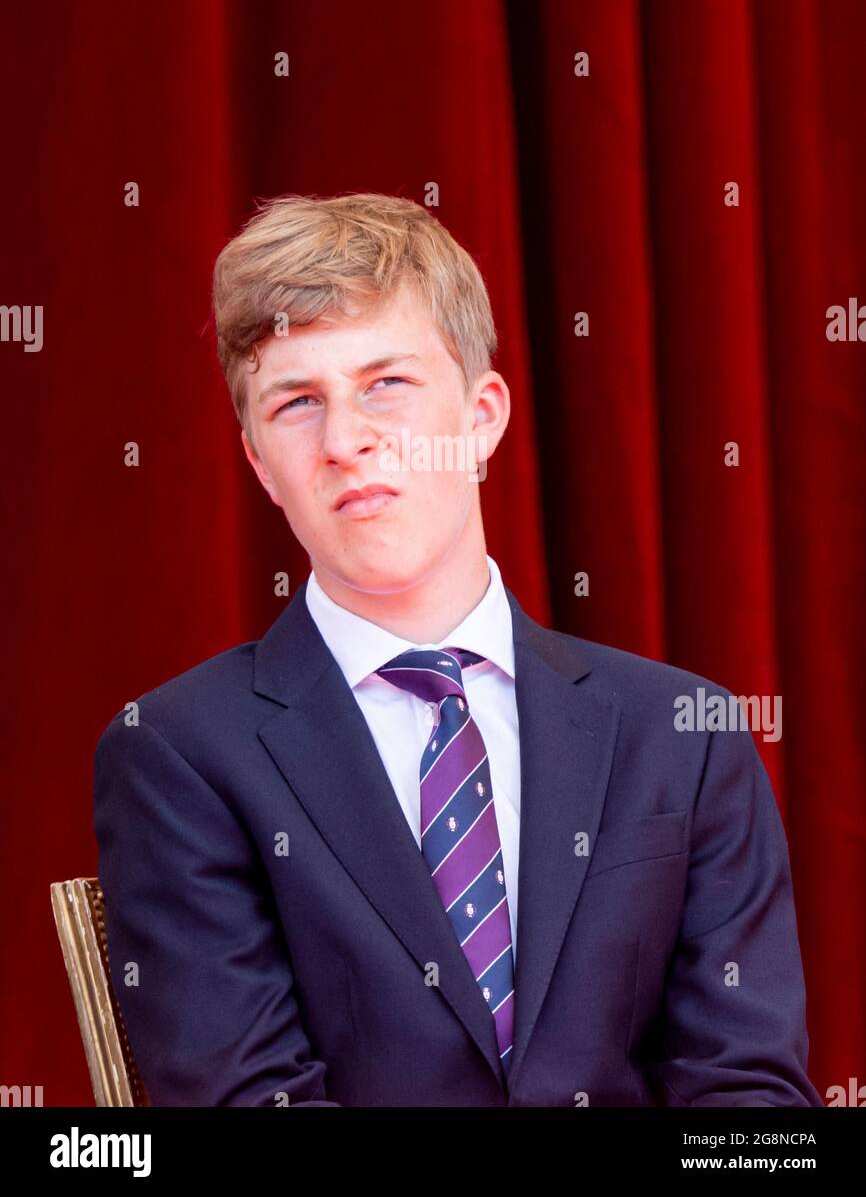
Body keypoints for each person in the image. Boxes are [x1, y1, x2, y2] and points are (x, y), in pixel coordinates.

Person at [93, 192, 822, 1107]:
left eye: (386, 384)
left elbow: (748, 1097)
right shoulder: (179, 754)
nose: (347, 440)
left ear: (481, 418)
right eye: (297, 403)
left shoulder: (685, 732)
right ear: (259, 464)